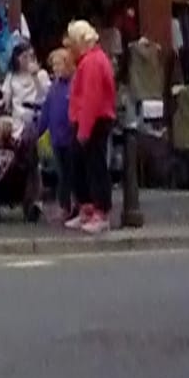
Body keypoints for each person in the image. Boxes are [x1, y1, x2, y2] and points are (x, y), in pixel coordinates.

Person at [64, 20, 116, 235]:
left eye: (72, 42)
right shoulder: (91, 60)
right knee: (82, 166)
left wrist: (83, 130)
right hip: (90, 121)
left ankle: (100, 211)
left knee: (94, 167)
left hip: (93, 122)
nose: (69, 47)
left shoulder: (92, 62)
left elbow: (91, 100)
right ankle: (87, 208)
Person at [35, 47, 75, 221]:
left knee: (72, 174)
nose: (56, 69)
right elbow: (46, 111)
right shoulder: (54, 88)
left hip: (71, 137)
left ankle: (74, 205)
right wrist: (39, 131)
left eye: (59, 64)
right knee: (62, 174)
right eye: (54, 65)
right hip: (57, 138)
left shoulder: (73, 85)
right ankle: (64, 206)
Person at [1, 40, 51, 131]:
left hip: (37, 117)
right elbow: (6, 99)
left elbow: (45, 96)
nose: (28, 60)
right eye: (24, 57)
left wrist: (35, 77)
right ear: (17, 58)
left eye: (31, 56)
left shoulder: (42, 74)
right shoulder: (11, 76)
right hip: (18, 119)